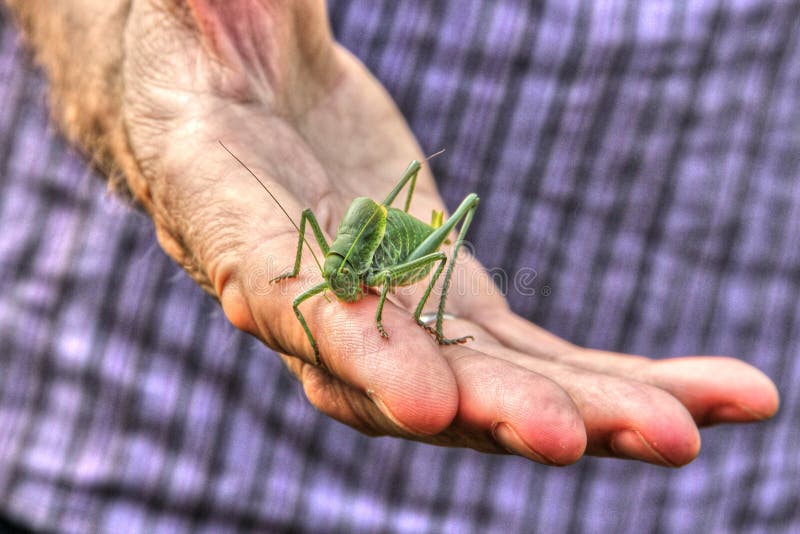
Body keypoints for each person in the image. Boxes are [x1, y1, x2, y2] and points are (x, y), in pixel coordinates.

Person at [0, 0, 791, 531]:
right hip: (104, 463)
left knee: (449, 222)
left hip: (696, 506)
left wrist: (380, 293)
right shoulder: (328, 250)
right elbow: (321, 250)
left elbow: (361, 277)